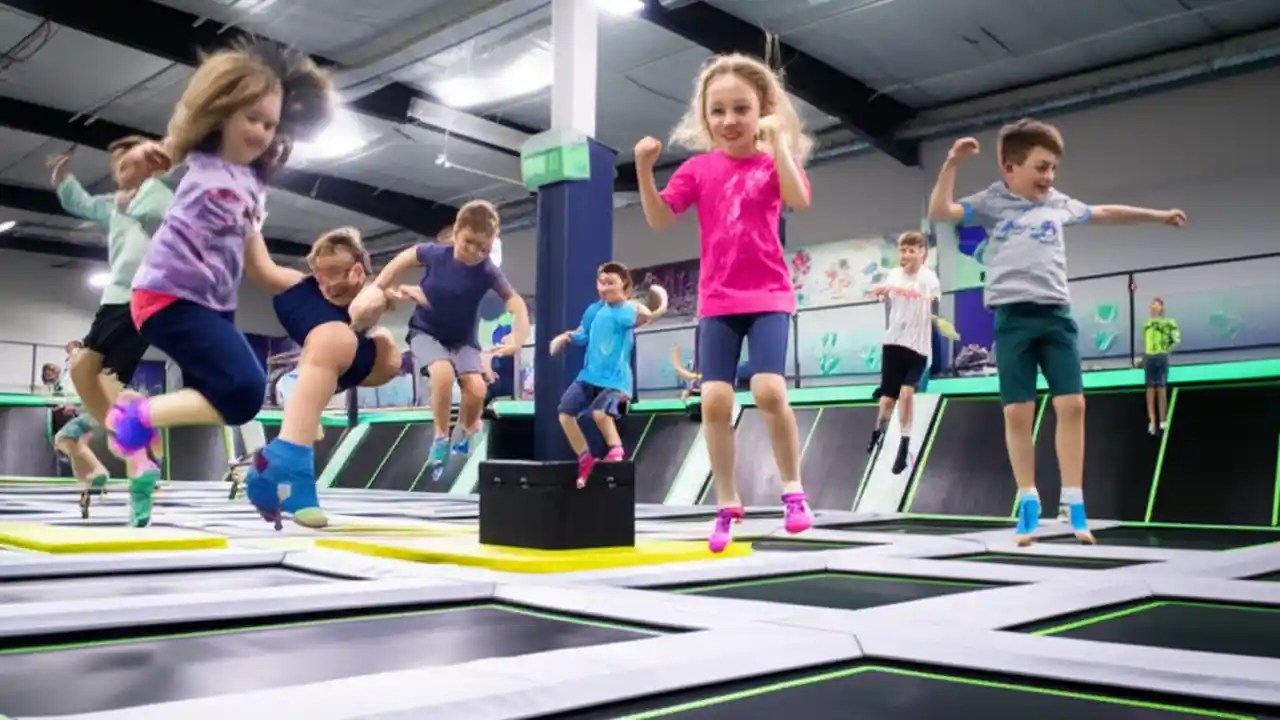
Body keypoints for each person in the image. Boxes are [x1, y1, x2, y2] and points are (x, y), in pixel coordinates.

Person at [105, 39, 334, 531]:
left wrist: (307, 286)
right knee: (247, 390)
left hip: (212, 303)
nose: (261, 132)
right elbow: (170, 151)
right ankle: (137, 415)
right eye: (251, 118)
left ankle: (260, 477)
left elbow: (259, 267)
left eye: (270, 124)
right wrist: (149, 158)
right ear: (222, 113)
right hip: (167, 297)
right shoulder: (203, 167)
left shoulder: (253, 183)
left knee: (234, 402)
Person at [927, 118, 1187, 546]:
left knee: (1073, 405)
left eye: (1053, 169)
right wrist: (951, 165)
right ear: (1010, 168)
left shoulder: (1057, 203)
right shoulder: (992, 201)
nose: (1048, 178)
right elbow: (941, 211)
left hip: (1055, 317)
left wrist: (1156, 216)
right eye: (1040, 168)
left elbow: (1103, 213)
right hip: (1012, 319)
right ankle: (1028, 499)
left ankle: (1074, 501)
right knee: (1017, 413)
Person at [634, 52, 815, 553]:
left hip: (768, 292)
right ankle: (726, 501)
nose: (730, 121)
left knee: (769, 390)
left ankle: (794, 491)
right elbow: (659, 218)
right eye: (718, 111)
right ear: (705, 117)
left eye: (741, 109)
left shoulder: (771, 161)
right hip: (718, 299)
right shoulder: (698, 169)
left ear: (762, 111)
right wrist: (645, 171)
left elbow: (798, 199)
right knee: (713, 399)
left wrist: (778, 146)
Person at [350, 200, 530, 472]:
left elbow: (515, 302)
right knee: (442, 374)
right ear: (457, 233)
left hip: (462, 339)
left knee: (477, 389)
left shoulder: (487, 271)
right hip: (427, 331)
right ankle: (440, 437)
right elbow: (403, 259)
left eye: (484, 248)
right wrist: (378, 287)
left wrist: (518, 337)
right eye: (469, 242)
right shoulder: (436, 254)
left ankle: (466, 430)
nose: (474, 252)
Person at [241, 227, 403, 527]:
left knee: (383, 345)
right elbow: (261, 270)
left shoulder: (368, 293)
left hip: (360, 358)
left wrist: (379, 298)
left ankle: (284, 462)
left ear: (355, 271)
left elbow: (368, 306)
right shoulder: (304, 287)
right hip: (326, 346)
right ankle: (288, 469)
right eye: (319, 274)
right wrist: (249, 228)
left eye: (333, 274)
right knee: (332, 337)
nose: (325, 283)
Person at [49, 137, 172, 524]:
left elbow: (164, 216)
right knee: (90, 376)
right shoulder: (114, 207)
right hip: (114, 300)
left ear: (150, 167)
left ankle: (137, 462)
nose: (118, 173)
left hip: (144, 299)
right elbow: (81, 204)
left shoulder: (158, 197)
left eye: (126, 164)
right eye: (115, 166)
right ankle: (139, 463)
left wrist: (139, 199)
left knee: (105, 385)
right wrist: (63, 178)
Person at [549, 263, 668, 487]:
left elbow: (643, 315)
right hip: (589, 377)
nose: (604, 288)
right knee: (565, 414)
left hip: (616, 381)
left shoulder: (628, 310)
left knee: (600, 415)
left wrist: (652, 309)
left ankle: (616, 451)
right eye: (601, 282)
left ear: (624, 285)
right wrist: (565, 338)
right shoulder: (593, 311)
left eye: (610, 283)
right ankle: (585, 457)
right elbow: (582, 335)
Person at [866, 231, 943, 475]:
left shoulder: (928, 278)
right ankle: (879, 431)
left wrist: (904, 289)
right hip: (893, 343)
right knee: (887, 399)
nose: (906, 255)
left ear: (922, 254)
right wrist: (881, 290)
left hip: (917, 347)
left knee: (907, 394)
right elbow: (886, 290)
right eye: (903, 251)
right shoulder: (893, 275)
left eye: (912, 251)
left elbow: (927, 296)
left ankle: (904, 445)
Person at [1140, 297, 1180, 435]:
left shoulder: (1169, 323)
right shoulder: (1146, 324)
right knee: (1150, 389)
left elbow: (1176, 339)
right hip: (1149, 357)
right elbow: (1145, 342)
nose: (1153, 307)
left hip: (1162, 356)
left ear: (1161, 308)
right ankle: (1152, 421)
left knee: (1161, 388)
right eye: (1152, 305)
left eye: (1156, 305)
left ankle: (1163, 420)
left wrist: (1166, 349)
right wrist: (1143, 357)